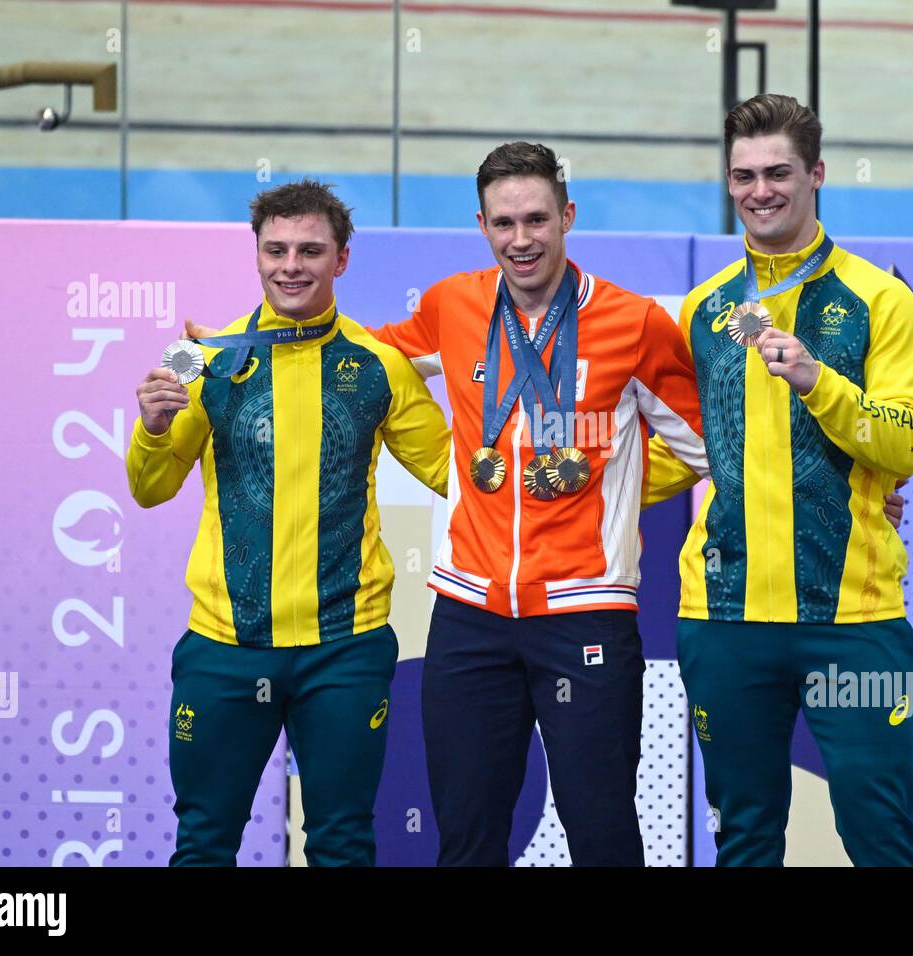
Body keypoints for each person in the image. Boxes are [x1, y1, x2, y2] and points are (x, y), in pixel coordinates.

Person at [371, 142, 710, 867]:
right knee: (466, 841)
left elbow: (711, 447)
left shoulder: (635, 323)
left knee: (603, 837)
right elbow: (363, 359)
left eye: (536, 220)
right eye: (503, 223)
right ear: (482, 225)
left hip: (585, 612)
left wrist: (604, 485)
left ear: (568, 217)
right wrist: (247, 343)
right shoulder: (451, 305)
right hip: (468, 615)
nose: (520, 240)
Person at [129, 179, 450, 866]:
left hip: (346, 648)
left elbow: (453, 471)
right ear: (256, 256)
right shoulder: (204, 359)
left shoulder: (380, 365)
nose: (291, 265)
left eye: (310, 249)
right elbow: (150, 488)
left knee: (340, 843)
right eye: (276, 249)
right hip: (224, 646)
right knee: (204, 842)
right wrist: (154, 426)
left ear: (342, 259)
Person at [653, 94, 913, 866]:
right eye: (743, 175)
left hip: (851, 623)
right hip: (725, 620)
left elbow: (906, 443)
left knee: (880, 835)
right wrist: (571, 479)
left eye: (778, 172)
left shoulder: (881, 300)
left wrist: (819, 382)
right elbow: (685, 449)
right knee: (744, 838)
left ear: (816, 174)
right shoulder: (707, 311)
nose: (759, 190)